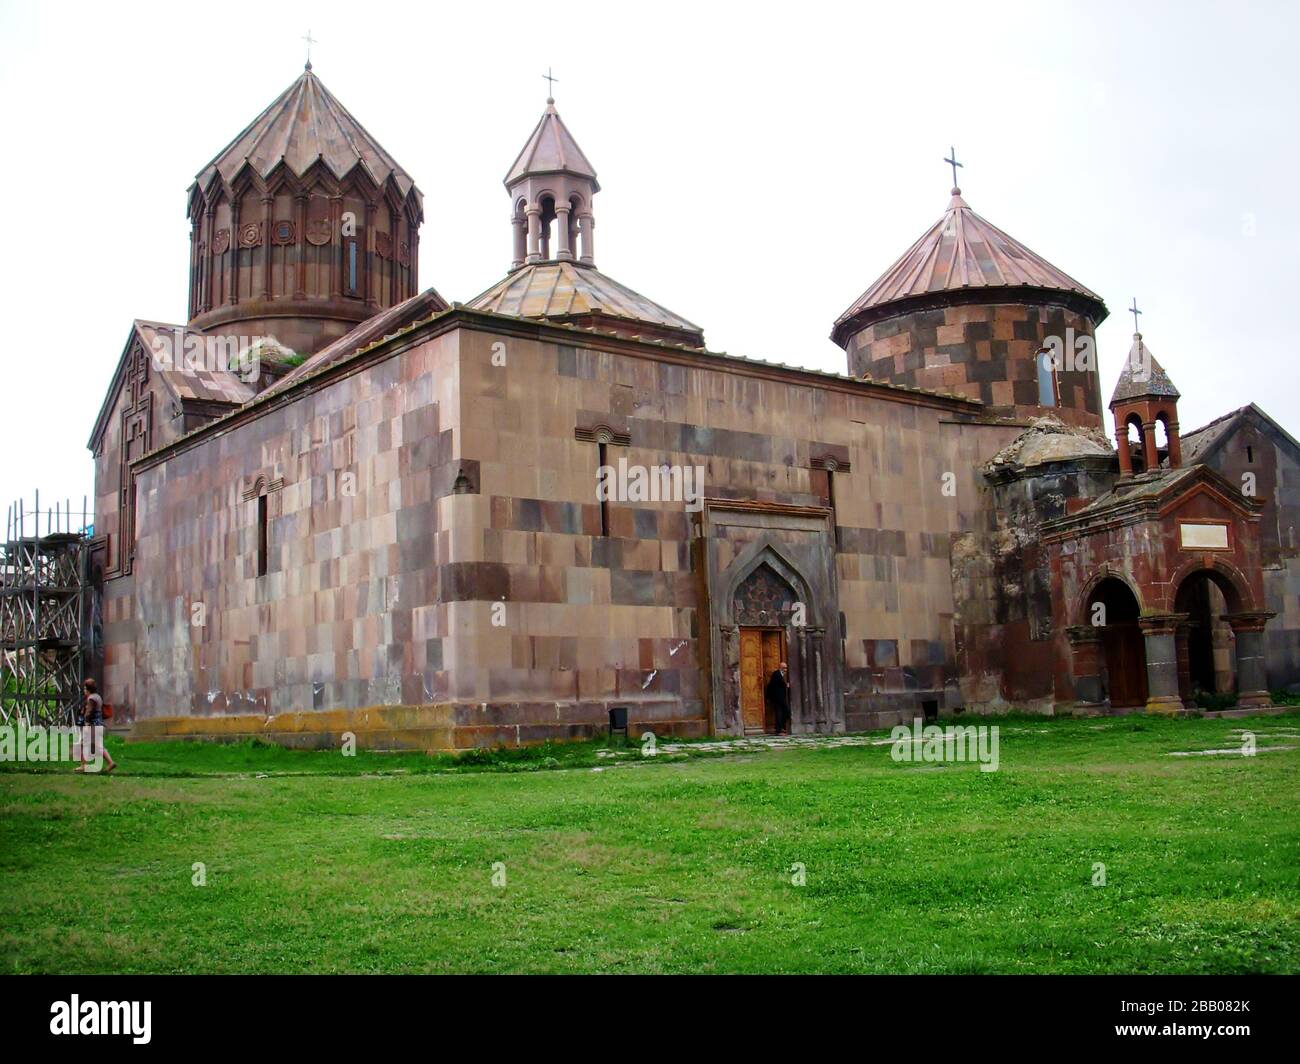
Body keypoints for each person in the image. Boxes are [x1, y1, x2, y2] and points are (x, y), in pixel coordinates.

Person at [77, 679, 116, 774]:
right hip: (99, 725)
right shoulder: (98, 697)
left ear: (88, 689)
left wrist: (86, 723)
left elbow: (89, 712)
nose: (84, 690)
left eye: (85, 688)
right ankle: (110, 763)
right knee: (99, 747)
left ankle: (83, 765)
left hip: (92, 726)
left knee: (81, 744)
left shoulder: (91, 699)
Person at [765, 661, 791, 735]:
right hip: (777, 698)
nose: (786, 669)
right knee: (781, 713)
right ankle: (778, 731)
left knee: (784, 712)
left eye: (786, 668)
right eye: (784, 668)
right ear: (781, 668)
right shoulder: (776, 674)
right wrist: (786, 685)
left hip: (780, 698)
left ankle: (780, 728)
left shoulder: (780, 675)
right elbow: (773, 686)